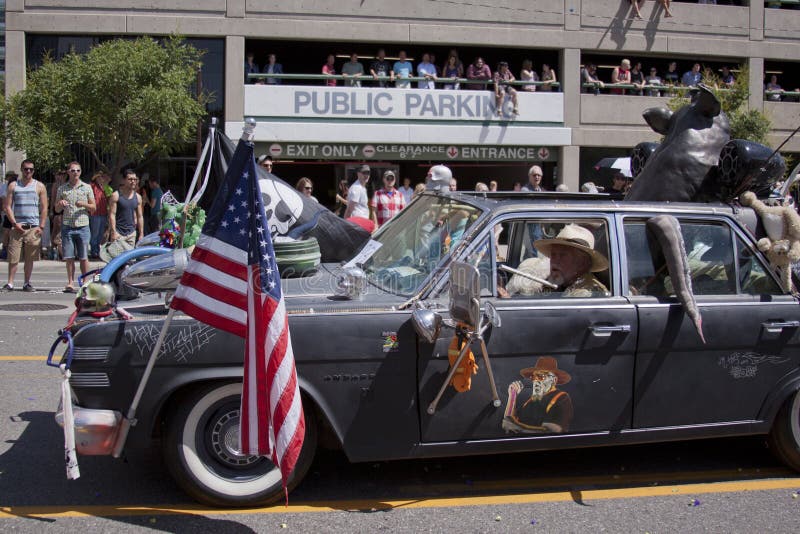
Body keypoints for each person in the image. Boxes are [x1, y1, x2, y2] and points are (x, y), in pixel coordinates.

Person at [3, 161, 48, 292]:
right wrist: (14, 223)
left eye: (31, 170)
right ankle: (10, 283)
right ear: (21, 169)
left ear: (34, 171)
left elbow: (44, 207)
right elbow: (7, 206)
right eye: (26, 169)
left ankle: (26, 283)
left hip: (33, 227)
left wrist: (42, 226)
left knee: (30, 258)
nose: (28, 172)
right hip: (17, 227)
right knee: (13, 257)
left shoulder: (39, 186)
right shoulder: (13, 185)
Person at [534, 224, 609, 297]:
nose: (554, 260)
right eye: (553, 254)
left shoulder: (589, 293)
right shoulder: (555, 282)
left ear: (581, 263)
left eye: (562, 256)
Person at [503, 356, 573, 434]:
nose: (536, 381)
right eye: (533, 377)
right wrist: (512, 396)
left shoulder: (561, 398)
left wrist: (518, 427)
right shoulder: (531, 401)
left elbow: (551, 432)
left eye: (541, 376)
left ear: (554, 380)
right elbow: (508, 423)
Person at [54, 162, 95, 293]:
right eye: (73, 170)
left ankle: (85, 281)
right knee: (69, 256)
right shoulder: (62, 188)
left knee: (83, 256)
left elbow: (93, 207)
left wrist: (83, 204)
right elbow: (56, 208)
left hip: (82, 225)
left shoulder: (87, 187)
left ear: (80, 172)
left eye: (78, 170)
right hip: (68, 226)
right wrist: (60, 203)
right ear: (68, 172)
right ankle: (70, 282)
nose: (75, 173)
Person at [108, 169, 144, 251]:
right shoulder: (116, 196)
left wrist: (141, 233)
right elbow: (112, 215)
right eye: (130, 179)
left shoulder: (138, 197)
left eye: (135, 179)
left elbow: (140, 216)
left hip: (131, 233)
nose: (133, 181)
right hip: (118, 233)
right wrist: (113, 232)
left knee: (130, 261)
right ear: (124, 180)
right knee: (117, 260)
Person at [344, 164, 374, 230]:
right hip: (357, 225)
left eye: (368, 173)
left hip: (361, 224)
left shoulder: (362, 187)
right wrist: (345, 226)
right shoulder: (356, 188)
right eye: (364, 173)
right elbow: (349, 210)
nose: (366, 175)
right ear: (358, 174)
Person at [89, 171, 110, 259]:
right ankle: (94, 251)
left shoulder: (105, 187)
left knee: (100, 233)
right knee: (95, 233)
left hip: (103, 212)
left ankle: (97, 250)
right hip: (95, 213)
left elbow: (109, 197)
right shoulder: (92, 186)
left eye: (102, 177)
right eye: (100, 177)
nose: (102, 179)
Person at [48, 169, 67, 260]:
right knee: (56, 230)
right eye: (59, 174)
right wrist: (51, 210)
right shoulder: (56, 185)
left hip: (66, 210)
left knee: (62, 231)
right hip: (58, 210)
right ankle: (55, 250)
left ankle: (58, 250)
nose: (61, 176)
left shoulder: (68, 184)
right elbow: (52, 199)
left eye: (63, 174)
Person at [0, 172, 17, 260]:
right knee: (6, 232)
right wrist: (5, 211)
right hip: (8, 213)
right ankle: (4, 250)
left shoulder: (18, 185)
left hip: (17, 214)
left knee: (14, 232)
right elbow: (3, 200)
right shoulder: (5, 187)